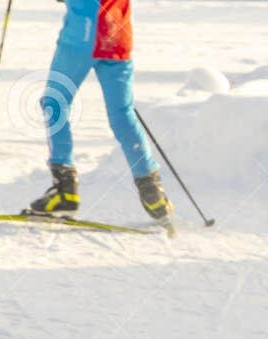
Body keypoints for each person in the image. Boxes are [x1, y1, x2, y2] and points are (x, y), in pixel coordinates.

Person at [27, 0, 172, 224]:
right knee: (122, 114)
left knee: (55, 102)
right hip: (117, 36)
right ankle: (152, 191)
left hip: (83, 35)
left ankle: (65, 189)